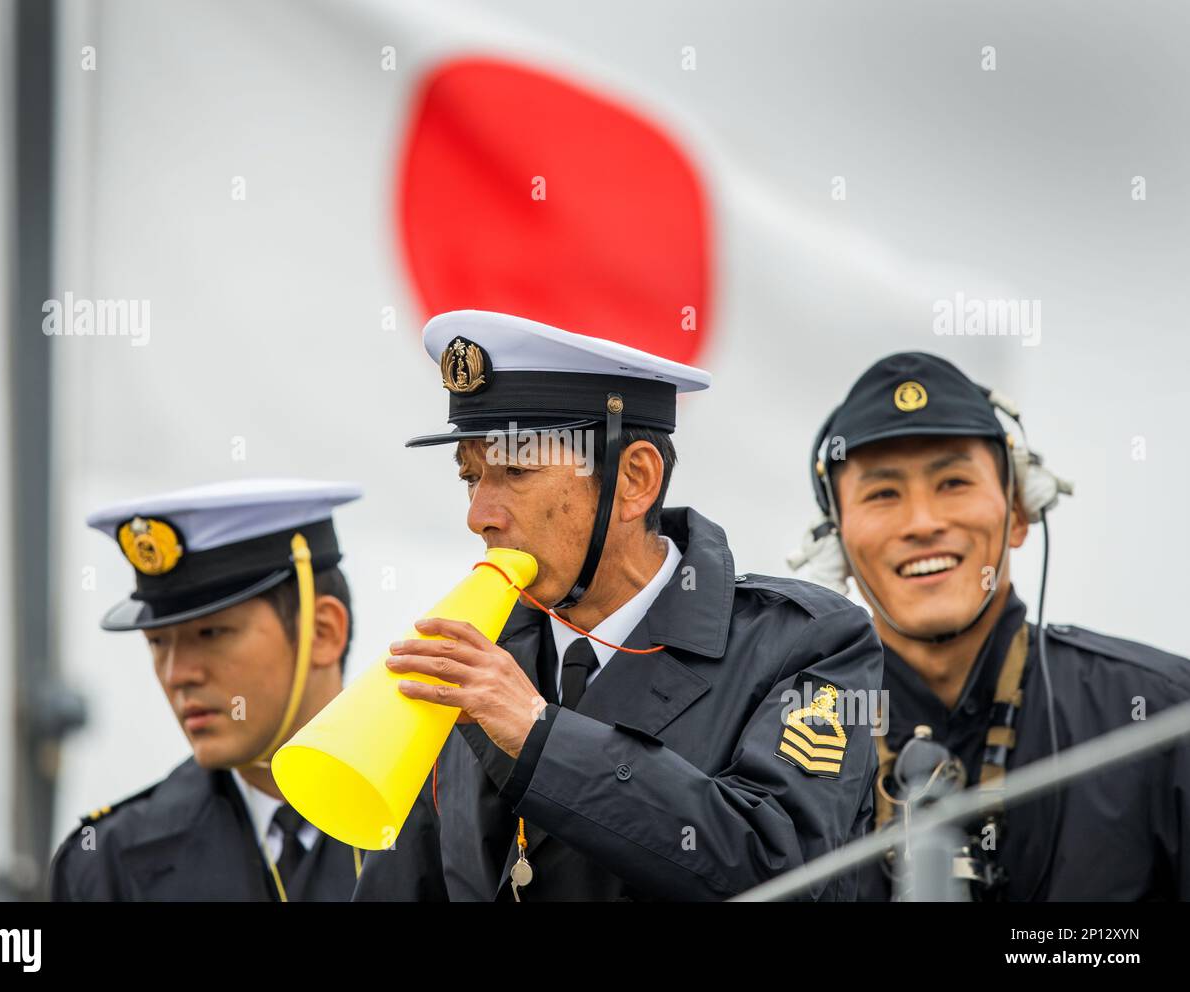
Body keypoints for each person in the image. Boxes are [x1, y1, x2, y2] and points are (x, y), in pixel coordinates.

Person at [353, 310, 883, 901]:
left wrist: (537, 733)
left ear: (634, 480)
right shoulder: (477, 658)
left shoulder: (807, 642)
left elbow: (781, 868)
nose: (479, 515)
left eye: (516, 470)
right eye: (471, 478)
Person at [790, 352, 1190, 899]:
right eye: (883, 494)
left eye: (953, 481)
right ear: (837, 542)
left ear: (1020, 513)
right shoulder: (772, 748)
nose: (923, 523)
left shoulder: (1165, 717)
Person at [50, 479, 365, 901]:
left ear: (323, 632)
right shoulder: (106, 864)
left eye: (212, 632)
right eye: (158, 642)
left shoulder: (449, 819)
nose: (177, 674)